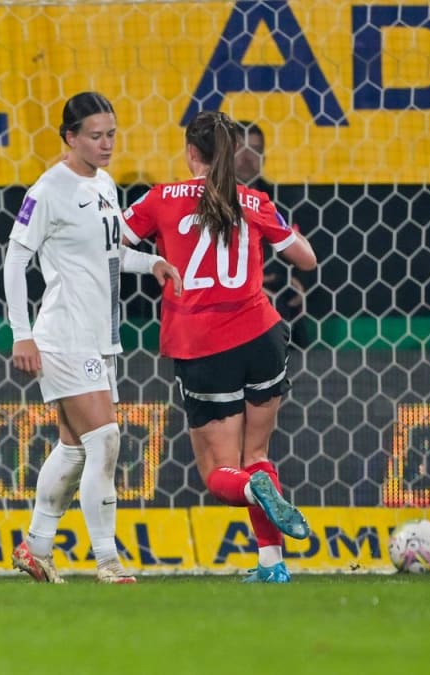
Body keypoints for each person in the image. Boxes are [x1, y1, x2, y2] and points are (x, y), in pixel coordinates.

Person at [122, 110, 318, 583]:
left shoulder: (161, 199)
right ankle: (273, 565)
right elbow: (306, 259)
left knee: (221, 473)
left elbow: (113, 244)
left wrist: (153, 261)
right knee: (258, 454)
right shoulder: (253, 200)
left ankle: (254, 491)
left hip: (203, 344)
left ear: (192, 152)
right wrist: (270, 225)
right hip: (263, 335)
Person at [4, 92, 182, 584]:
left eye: (112, 135)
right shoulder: (49, 189)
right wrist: (23, 335)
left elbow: (112, 253)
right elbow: (16, 260)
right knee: (104, 439)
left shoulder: (104, 184)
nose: (107, 145)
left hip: (100, 337)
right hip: (63, 334)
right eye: (96, 136)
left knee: (76, 448)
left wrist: (152, 263)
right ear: (70, 137)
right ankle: (108, 561)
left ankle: (36, 548)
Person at [235, 121, 309, 347]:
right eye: (240, 149)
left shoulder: (280, 202)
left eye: (255, 150)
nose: (248, 158)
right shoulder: (208, 200)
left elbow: (300, 247)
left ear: (264, 158)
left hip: (278, 291)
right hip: (230, 294)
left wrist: (300, 282)